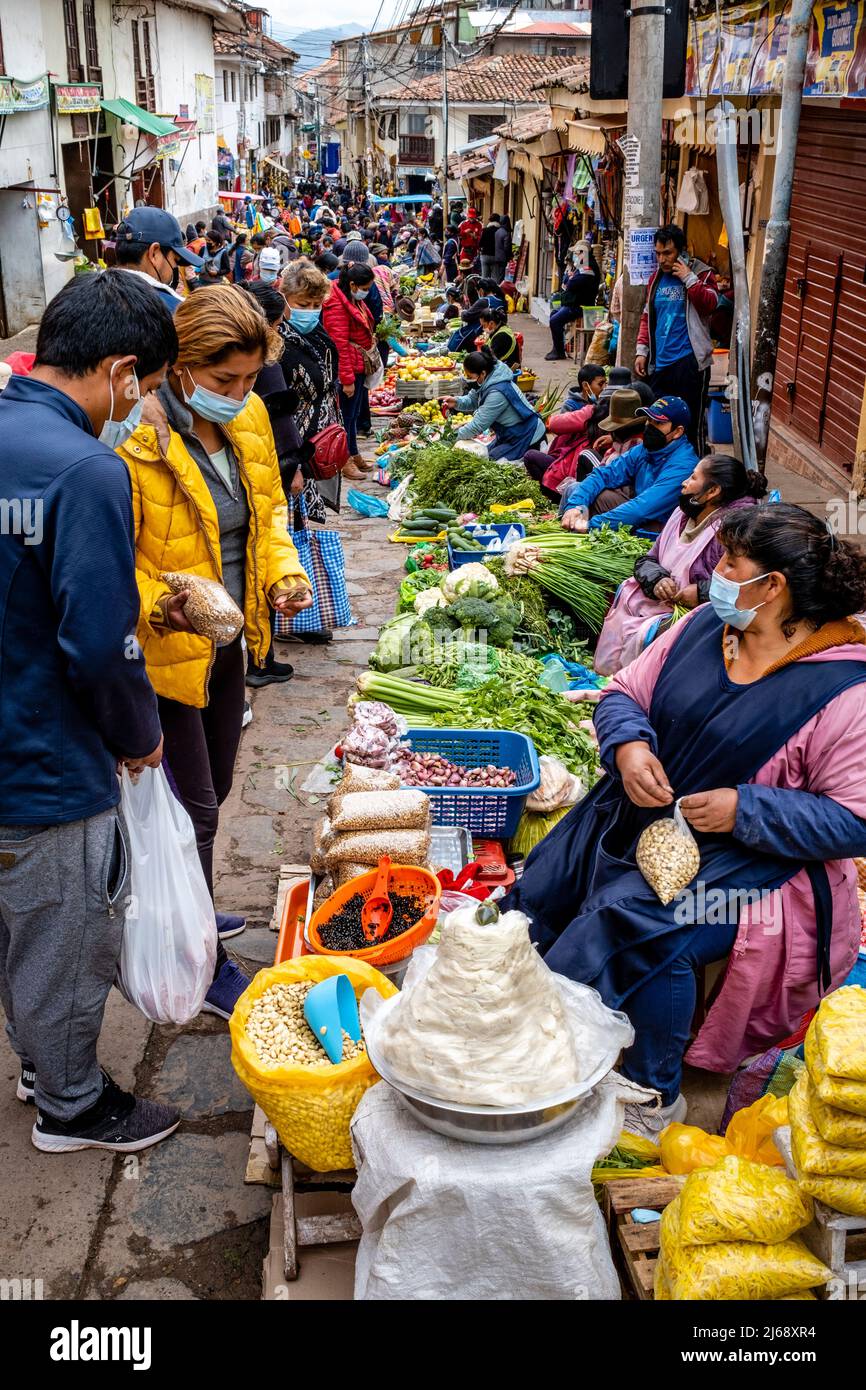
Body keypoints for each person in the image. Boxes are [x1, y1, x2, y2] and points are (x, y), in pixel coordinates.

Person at [506, 504, 866, 1137]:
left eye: (730, 563)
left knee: (646, 929)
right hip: (645, 819)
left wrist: (745, 809)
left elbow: (853, 820)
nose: (714, 574)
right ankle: (542, 1034)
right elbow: (623, 694)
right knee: (548, 880)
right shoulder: (703, 626)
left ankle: (651, 1095)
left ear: (772, 586)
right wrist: (630, 747)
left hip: (762, 863)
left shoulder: (844, 686)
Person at [0, 270, 181, 1154]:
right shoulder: (85, 469)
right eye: (141, 390)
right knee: (66, 939)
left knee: (19, 931)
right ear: (117, 370)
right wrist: (141, 738)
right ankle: (72, 1107)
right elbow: (99, 644)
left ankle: (40, 1063)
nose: (137, 408)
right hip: (45, 757)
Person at [114, 285, 313, 1019]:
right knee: (194, 808)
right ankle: (201, 962)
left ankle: (189, 902)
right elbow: (108, 564)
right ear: (182, 365)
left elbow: (270, 515)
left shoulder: (252, 419)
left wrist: (284, 574)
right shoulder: (135, 442)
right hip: (163, 651)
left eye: (248, 380)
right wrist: (163, 602)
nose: (238, 394)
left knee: (218, 790)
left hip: (228, 646)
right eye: (224, 381)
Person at [595, 454, 768, 675]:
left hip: (697, 616)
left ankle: (638, 685)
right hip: (658, 603)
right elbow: (649, 559)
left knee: (659, 635)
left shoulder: (732, 530)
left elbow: (744, 588)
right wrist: (657, 579)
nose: (684, 483)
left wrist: (701, 593)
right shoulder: (683, 514)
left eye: (693, 478)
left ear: (712, 491)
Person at [559, 396, 697, 534]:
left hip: (659, 529)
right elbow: (603, 474)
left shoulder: (683, 467)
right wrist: (575, 506)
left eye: (658, 423)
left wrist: (590, 525)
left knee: (589, 518)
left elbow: (642, 509)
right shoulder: (645, 449)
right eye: (649, 420)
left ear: (677, 431)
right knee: (575, 489)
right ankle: (566, 529)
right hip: (637, 510)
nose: (649, 426)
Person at [635, 224, 719, 449]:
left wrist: (689, 278)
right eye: (658, 254)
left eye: (668, 253)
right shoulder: (656, 279)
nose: (662, 259)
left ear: (681, 251)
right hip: (660, 365)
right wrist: (642, 351)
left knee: (690, 426)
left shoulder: (702, 273)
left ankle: (695, 475)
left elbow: (710, 304)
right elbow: (647, 317)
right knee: (658, 425)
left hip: (689, 364)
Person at [321, 260, 377, 472]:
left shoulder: (352, 299)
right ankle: (345, 459)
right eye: (365, 288)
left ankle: (353, 452)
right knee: (345, 416)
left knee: (352, 415)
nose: (367, 292)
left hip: (357, 365)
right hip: (349, 368)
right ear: (353, 285)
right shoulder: (336, 305)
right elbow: (340, 346)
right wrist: (347, 380)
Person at [444, 346, 545, 460]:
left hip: (526, 434)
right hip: (509, 434)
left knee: (490, 461)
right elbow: (473, 400)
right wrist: (457, 402)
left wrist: (448, 439)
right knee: (486, 455)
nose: (468, 380)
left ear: (482, 373)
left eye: (470, 376)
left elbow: (477, 426)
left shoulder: (497, 393)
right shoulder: (486, 379)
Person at [523, 364, 607, 497]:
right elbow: (557, 426)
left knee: (532, 457)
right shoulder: (576, 406)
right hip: (567, 456)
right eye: (601, 384)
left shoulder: (596, 410)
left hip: (572, 464)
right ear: (586, 386)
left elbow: (554, 424)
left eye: (605, 384)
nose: (604, 389)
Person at [113, 206, 204, 313]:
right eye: (175, 260)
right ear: (154, 254)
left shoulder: (90, 295)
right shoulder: (179, 313)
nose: (175, 267)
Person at [546, 243, 602, 360]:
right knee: (554, 314)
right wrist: (569, 278)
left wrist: (570, 279)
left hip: (580, 306)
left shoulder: (588, 268)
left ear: (583, 254)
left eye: (577, 254)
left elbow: (570, 284)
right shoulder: (581, 266)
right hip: (573, 303)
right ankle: (557, 348)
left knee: (555, 321)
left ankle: (559, 352)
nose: (575, 256)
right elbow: (565, 281)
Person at [479, 212, 501, 279]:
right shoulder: (499, 230)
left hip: (485, 255)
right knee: (495, 278)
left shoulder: (485, 230)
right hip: (495, 256)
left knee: (484, 278)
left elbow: (480, 244)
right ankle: (493, 289)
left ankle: (485, 289)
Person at [493, 214, 512, 283]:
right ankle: (499, 290)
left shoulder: (497, 232)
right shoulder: (506, 233)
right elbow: (506, 247)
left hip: (497, 256)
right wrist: (510, 256)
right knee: (502, 276)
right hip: (503, 257)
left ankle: (498, 287)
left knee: (498, 275)